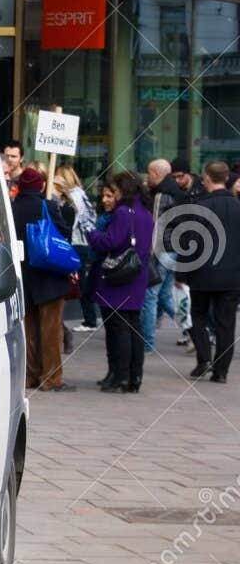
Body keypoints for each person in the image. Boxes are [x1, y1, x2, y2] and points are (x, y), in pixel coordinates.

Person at [88, 170, 154, 393]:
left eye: (114, 191)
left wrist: (92, 234)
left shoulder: (124, 212)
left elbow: (110, 241)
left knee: (119, 328)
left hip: (119, 276)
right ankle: (134, 376)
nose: (111, 196)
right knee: (133, 325)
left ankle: (121, 376)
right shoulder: (144, 211)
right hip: (137, 275)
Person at [177, 161, 240, 383]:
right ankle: (221, 371)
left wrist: (181, 273)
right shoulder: (236, 206)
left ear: (207, 178)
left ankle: (204, 359)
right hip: (232, 275)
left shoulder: (199, 205)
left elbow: (189, 241)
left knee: (198, 314)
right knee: (226, 323)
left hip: (203, 273)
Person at [14, 166, 74, 391]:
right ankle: (51, 378)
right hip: (49, 275)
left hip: (24, 276)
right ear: (40, 186)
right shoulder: (47, 206)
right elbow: (65, 231)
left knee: (28, 330)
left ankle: (30, 376)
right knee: (50, 331)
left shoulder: (11, 208)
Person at [142, 157, 188, 350]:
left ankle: (147, 343)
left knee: (150, 295)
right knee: (165, 296)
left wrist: (149, 252)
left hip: (162, 249)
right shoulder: (177, 190)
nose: (147, 177)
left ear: (156, 174)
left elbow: (155, 225)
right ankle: (192, 329)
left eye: (149, 173)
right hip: (174, 249)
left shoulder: (161, 194)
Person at [55, 165, 100, 331]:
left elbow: (71, 222)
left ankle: (90, 320)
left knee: (78, 283)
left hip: (75, 242)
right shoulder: (81, 193)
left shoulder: (71, 197)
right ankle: (90, 319)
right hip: (84, 242)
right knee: (81, 282)